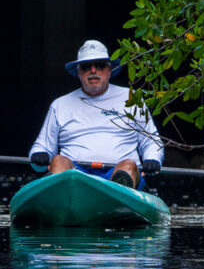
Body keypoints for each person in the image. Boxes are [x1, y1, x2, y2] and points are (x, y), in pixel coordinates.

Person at [28, 40, 163, 189]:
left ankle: (118, 195)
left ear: (109, 70)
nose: (93, 71)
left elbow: (151, 141)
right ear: (79, 72)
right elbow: (42, 147)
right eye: (86, 67)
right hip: (74, 176)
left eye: (99, 65)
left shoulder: (132, 98)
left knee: (129, 165)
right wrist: (39, 156)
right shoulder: (59, 105)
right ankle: (59, 193)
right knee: (58, 160)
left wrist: (152, 160)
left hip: (118, 173)